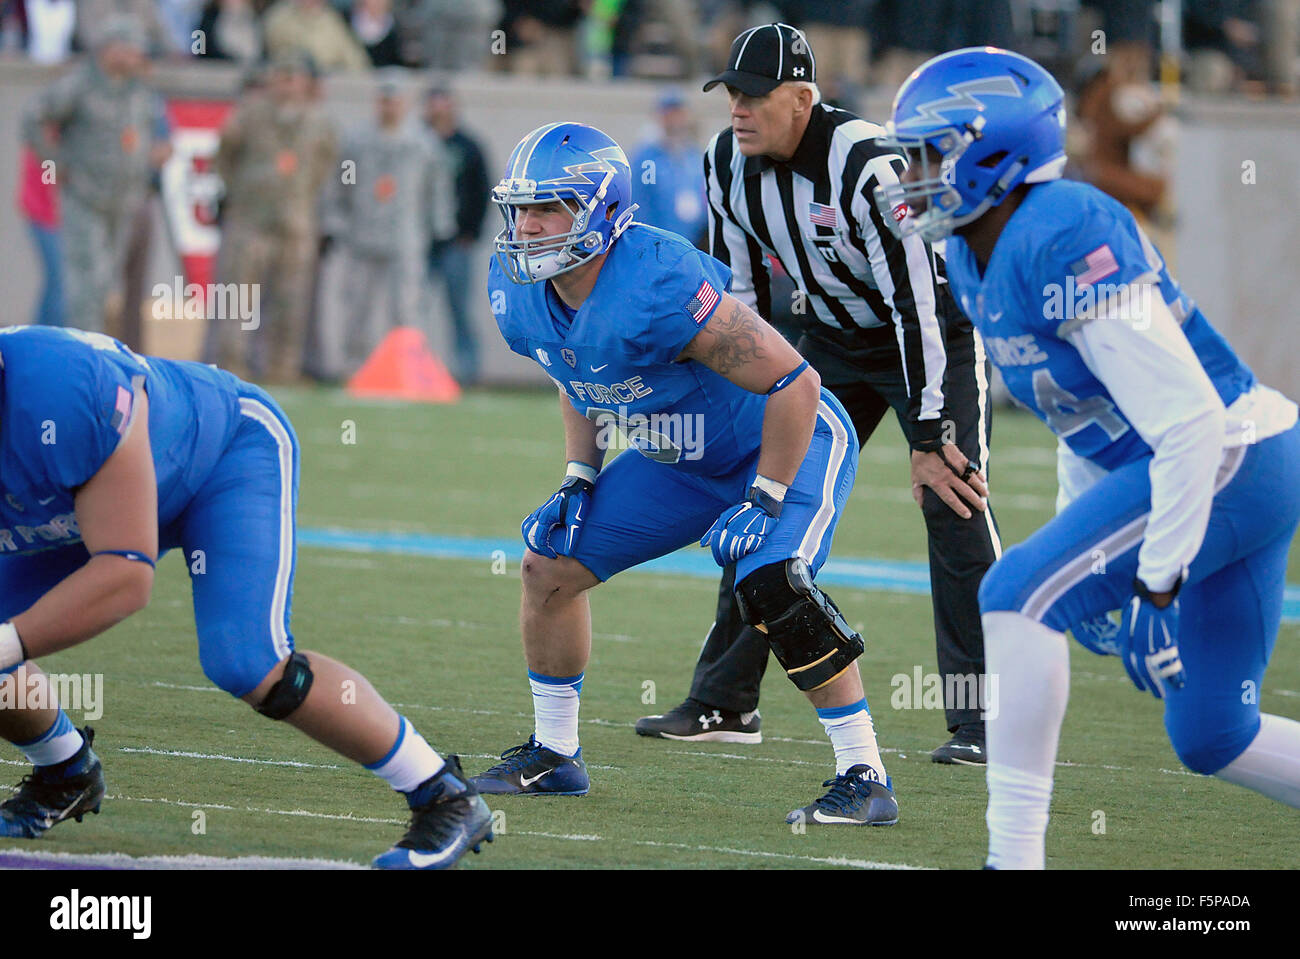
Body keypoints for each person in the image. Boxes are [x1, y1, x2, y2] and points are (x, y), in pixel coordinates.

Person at [875, 46, 1300, 868]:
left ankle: (1015, 859)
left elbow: (1189, 422)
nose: (912, 173)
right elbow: (1088, 424)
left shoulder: (1061, 225)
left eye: (929, 151)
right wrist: (1099, 540)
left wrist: (1157, 578)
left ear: (992, 150)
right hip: (1236, 463)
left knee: (1016, 593)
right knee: (1215, 732)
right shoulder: (970, 252)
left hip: (1231, 458)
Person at [476, 121, 899, 827]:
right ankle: (555, 753)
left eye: (548, 207)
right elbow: (572, 367)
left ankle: (866, 773)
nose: (527, 225)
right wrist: (581, 474)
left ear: (600, 211)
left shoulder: (658, 280)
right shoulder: (522, 291)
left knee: (772, 584)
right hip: (683, 458)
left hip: (782, 439)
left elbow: (794, 382)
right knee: (547, 566)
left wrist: (765, 494)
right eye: (519, 208)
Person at [637, 23, 999, 765]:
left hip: (928, 338)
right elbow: (737, 300)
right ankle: (725, 700)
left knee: (953, 504)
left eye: (754, 96)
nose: (738, 109)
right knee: (765, 492)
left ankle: (987, 721)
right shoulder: (725, 164)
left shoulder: (870, 165)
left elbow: (918, 304)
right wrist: (732, 400)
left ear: (802, 98)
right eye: (731, 94)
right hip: (830, 341)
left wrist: (931, 438)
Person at [0, 326, 491, 869]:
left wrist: (9, 642)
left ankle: (443, 794)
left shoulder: (64, 390)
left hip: (219, 458)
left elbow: (124, 574)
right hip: (74, 503)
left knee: (249, 662)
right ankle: (65, 772)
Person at [22, 15, 170, 346]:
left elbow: (151, 132)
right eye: (129, 50)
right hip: (85, 197)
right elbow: (33, 118)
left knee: (106, 283)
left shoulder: (140, 91)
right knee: (84, 282)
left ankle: (93, 348)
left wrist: (154, 155)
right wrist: (54, 163)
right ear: (110, 50)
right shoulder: (80, 84)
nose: (136, 57)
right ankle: (80, 351)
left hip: (125, 199)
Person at [205, 52, 337, 382]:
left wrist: (300, 196)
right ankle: (232, 364)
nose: (287, 85)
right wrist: (239, 192)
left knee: (291, 301)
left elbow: (324, 166)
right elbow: (224, 155)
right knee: (237, 298)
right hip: (250, 221)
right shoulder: (249, 114)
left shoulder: (320, 121)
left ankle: (283, 367)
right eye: (281, 76)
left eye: (294, 77)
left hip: (295, 223)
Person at [327, 75, 453, 375]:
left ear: (406, 104)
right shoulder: (356, 141)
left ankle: (408, 371)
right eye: (384, 101)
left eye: (395, 101)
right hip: (363, 234)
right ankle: (355, 368)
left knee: (407, 309)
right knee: (358, 307)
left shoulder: (422, 143)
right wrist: (335, 222)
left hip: (406, 236)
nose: (390, 108)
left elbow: (437, 187)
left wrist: (441, 227)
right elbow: (338, 186)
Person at [424, 85, 491, 385]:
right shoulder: (417, 142)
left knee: (459, 310)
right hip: (420, 241)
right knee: (415, 312)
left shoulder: (468, 146)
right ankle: (418, 372)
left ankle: (466, 372)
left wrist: (470, 232)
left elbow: (481, 191)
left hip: (456, 242)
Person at [629, 88, 708, 248]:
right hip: (658, 244)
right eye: (669, 113)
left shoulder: (692, 155)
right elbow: (640, 202)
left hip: (692, 243)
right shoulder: (648, 159)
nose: (674, 119)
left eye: (678, 113)